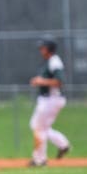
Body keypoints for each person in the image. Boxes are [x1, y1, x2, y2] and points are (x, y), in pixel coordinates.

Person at [28, 38, 71, 167]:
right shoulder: (50, 61)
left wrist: (41, 81)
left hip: (51, 99)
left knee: (38, 127)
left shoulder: (54, 62)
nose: (41, 50)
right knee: (42, 127)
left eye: (43, 47)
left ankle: (39, 159)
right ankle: (63, 144)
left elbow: (59, 81)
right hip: (50, 99)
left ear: (48, 49)